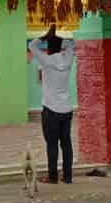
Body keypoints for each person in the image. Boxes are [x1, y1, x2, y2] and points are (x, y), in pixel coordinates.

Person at [28, 23, 76, 184]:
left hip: (51, 110)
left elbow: (32, 45)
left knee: (52, 144)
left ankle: (53, 176)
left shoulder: (47, 60)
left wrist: (44, 36)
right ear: (60, 47)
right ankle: (68, 176)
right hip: (66, 109)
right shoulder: (68, 59)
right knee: (66, 144)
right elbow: (70, 45)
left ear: (48, 48)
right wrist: (58, 38)